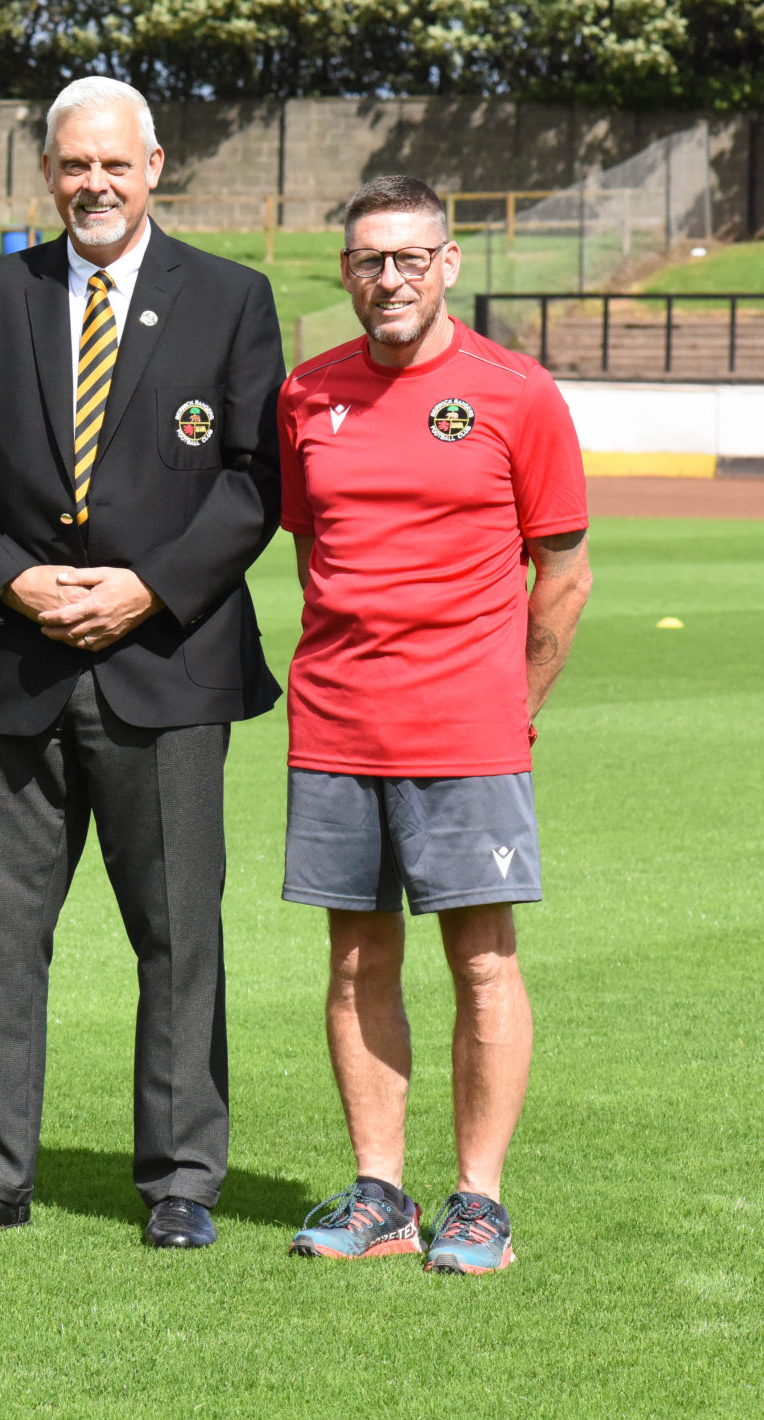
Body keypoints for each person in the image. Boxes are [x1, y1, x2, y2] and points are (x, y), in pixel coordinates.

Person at [0, 76, 286, 1248]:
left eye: (114, 165)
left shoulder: (230, 300)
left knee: (176, 935)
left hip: (164, 667)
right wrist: (13, 580)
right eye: (74, 165)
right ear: (49, 172)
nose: (94, 185)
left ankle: (179, 1181)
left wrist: (148, 587)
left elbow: (252, 480)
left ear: (155, 165)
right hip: (5, 674)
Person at [278, 176, 589, 1275]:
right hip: (334, 724)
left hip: (467, 732)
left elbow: (564, 572)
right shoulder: (307, 394)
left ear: (449, 262)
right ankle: (378, 1191)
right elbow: (315, 541)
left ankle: (478, 1199)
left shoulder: (515, 391)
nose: (389, 277)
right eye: (369, 259)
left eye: (411, 257)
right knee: (356, 961)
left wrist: (513, 706)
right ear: (346, 270)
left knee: (483, 965)